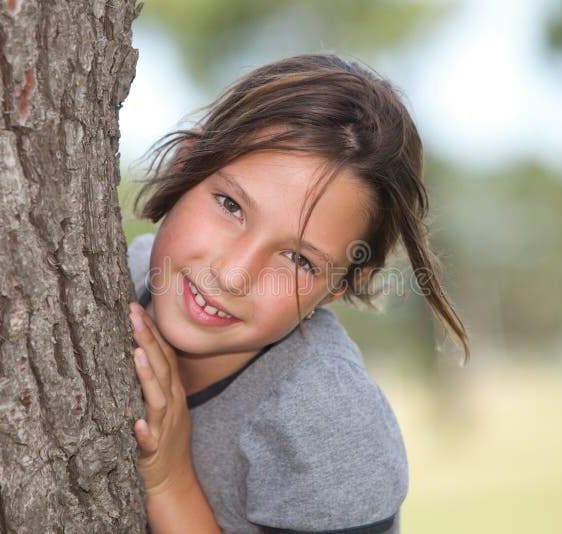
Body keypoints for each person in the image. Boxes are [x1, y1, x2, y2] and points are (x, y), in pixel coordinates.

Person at [125, 53, 470, 533]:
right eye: (230, 205)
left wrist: (171, 482)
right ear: (187, 165)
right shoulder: (122, 278)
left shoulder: (326, 423)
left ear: (340, 286)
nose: (234, 275)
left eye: (299, 260)